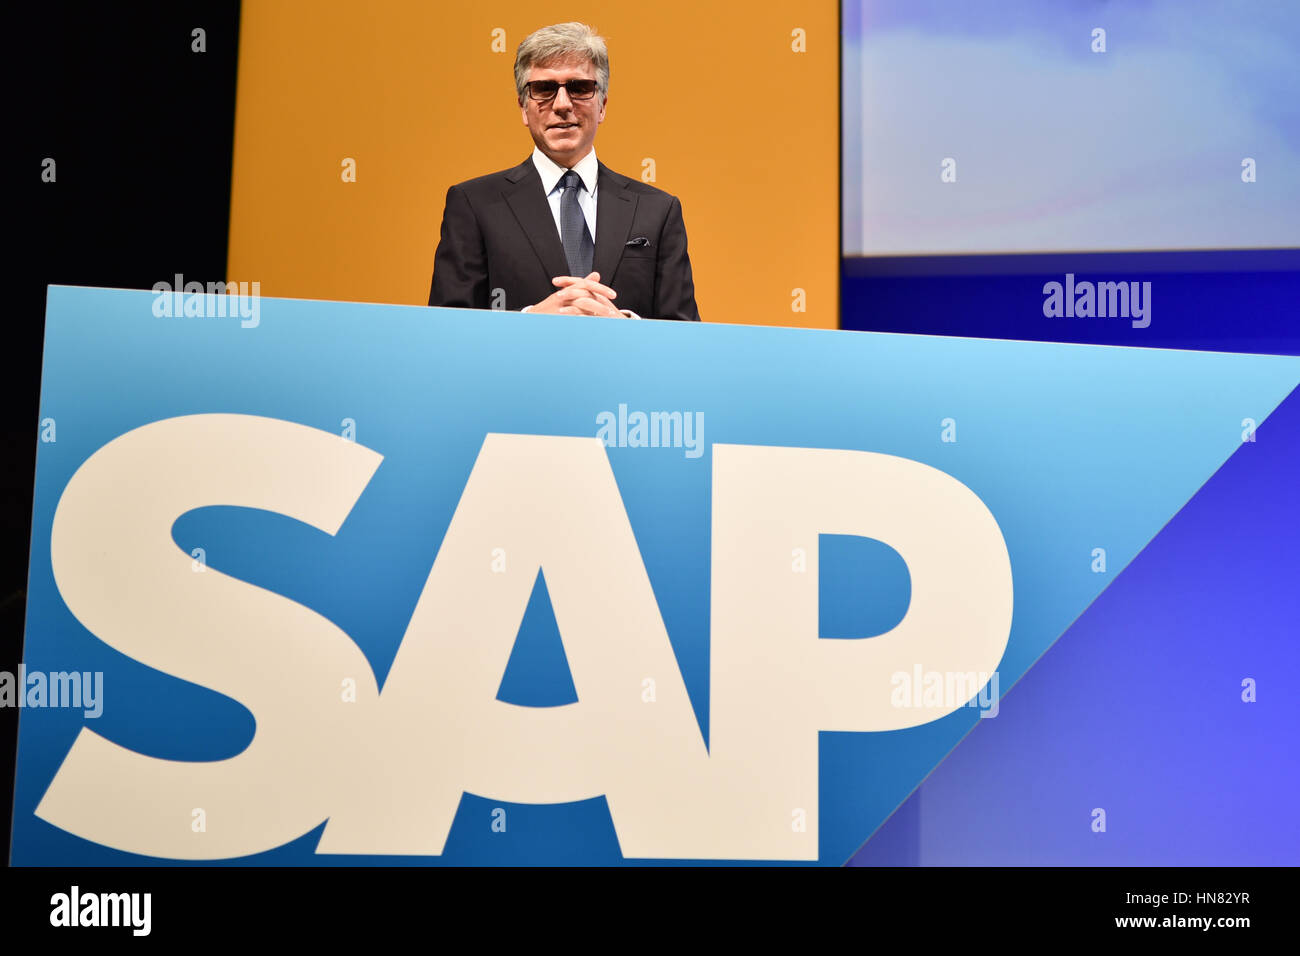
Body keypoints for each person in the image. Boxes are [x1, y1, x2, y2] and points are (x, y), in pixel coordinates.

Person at [428, 22, 701, 321]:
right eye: (543, 89)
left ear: (603, 105)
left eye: (579, 88)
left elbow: (684, 339)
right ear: (522, 107)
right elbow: (448, 331)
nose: (562, 104)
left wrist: (626, 329)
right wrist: (529, 321)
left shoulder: (658, 210)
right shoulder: (473, 204)